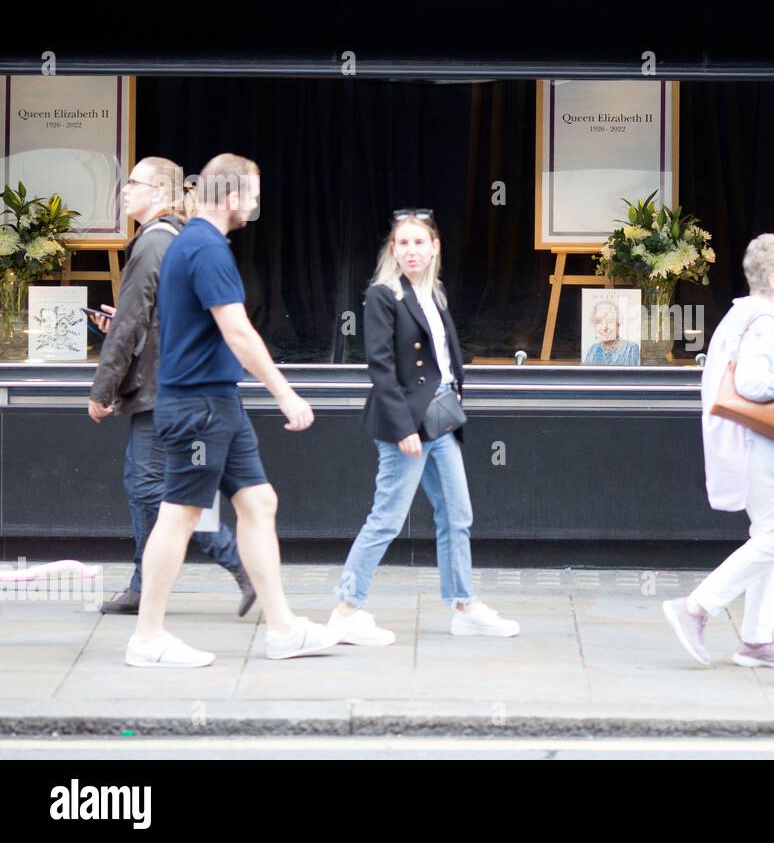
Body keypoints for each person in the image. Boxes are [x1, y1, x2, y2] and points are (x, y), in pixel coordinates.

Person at [126, 154, 339, 666]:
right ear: (234, 196)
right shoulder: (203, 248)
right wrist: (285, 393)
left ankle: (284, 628)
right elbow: (238, 331)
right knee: (179, 515)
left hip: (216, 399)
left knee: (259, 502)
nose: (257, 207)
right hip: (199, 404)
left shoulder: (194, 243)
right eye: (255, 196)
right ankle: (147, 639)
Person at [329, 209, 519, 644]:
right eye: (402, 243)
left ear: (435, 247)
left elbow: (445, 363)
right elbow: (381, 367)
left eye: (419, 242)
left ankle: (464, 605)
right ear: (393, 250)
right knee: (387, 518)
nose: (411, 250)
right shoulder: (383, 296)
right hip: (408, 425)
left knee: (457, 515)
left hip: (440, 420)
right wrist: (403, 428)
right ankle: (346, 608)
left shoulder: (434, 294)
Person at [89, 156, 254, 617]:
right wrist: (119, 326)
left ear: (159, 193)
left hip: (162, 389)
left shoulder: (153, 242)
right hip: (178, 383)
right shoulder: (175, 237)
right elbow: (153, 319)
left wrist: (102, 388)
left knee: (154, 487)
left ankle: (237, 566)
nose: (124, 190)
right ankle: (156, 583)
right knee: (163, 486)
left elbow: (134, 322)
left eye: (134, 183)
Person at [663, 233, 774, 667]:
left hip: (753, 441)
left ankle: (757, 640)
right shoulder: (765, 319)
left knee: (773, 536)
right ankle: (696, 607)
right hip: (759, 442)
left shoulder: (743, 315)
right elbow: (750, 384)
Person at [583, 299, 639, 365]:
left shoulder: (630, 349)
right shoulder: (593, 350)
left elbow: (630, 374)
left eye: (609, 321)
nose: (604, 328)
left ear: (618, 324)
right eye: (599, 322)